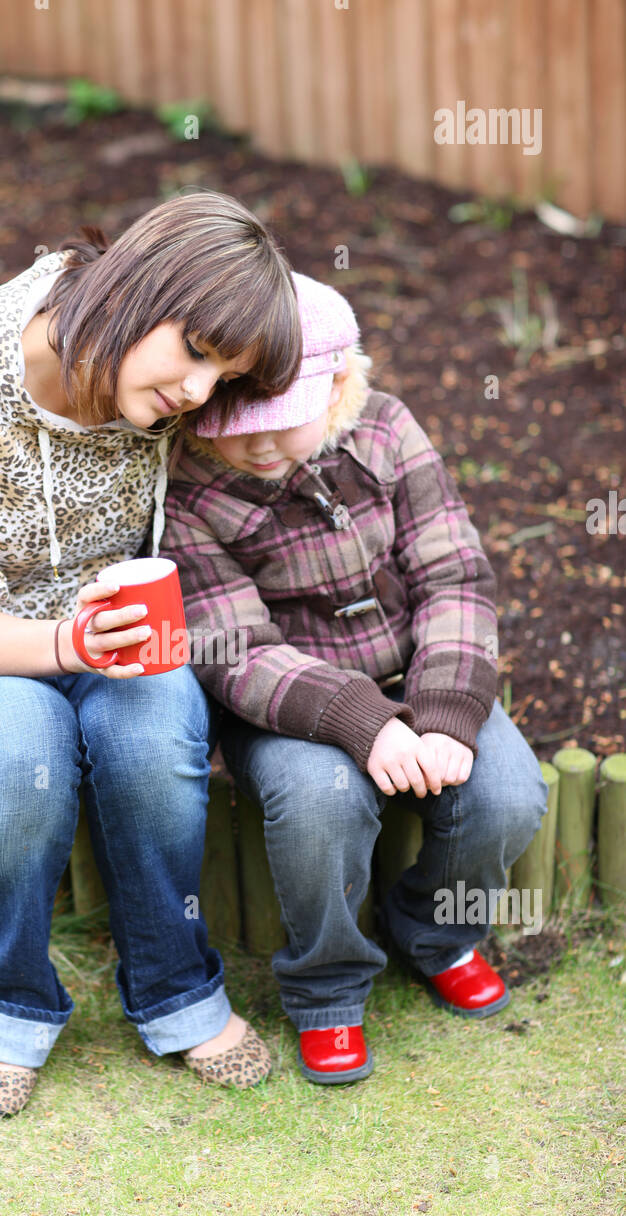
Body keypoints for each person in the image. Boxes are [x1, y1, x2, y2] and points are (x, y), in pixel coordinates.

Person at [0, 191, 303, 1113]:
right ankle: (5, 1006)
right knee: (22, 740)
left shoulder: (151, 398)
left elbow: (311, 382)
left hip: (114, 652)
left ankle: (177, 988)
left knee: (154, 726)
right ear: (133, 291)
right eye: (194, 352)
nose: (196, 394)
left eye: (220, 378)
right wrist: (64, 643)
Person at [159, 271, 549, 1085]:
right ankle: (328, 988)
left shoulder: (387, 431)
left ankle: (435, 931)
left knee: (507, 794)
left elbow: (455, 577)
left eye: (281, 423)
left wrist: (443, 714)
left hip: (424, 675)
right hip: (289, 706)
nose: (259, 445)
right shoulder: (190, 488)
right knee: (319, 804)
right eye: (236, 425)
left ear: (338, 385)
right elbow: (233, 648)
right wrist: (360, 721)